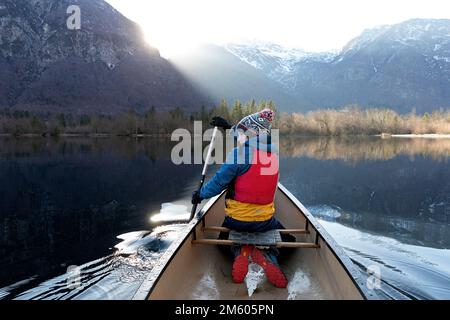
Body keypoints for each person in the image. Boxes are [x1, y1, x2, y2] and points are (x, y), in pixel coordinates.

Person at [191, 109, 293, 288]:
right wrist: (229, 127)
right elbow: (247, 136)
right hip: (265, 221)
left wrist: (199, 195)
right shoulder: (273, 156)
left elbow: (218, 183)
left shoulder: (238, 154)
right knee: (290, 241)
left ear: (251, 133)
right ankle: (269, 256)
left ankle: (240, 250)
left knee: (221, 242)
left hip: (236, 221)